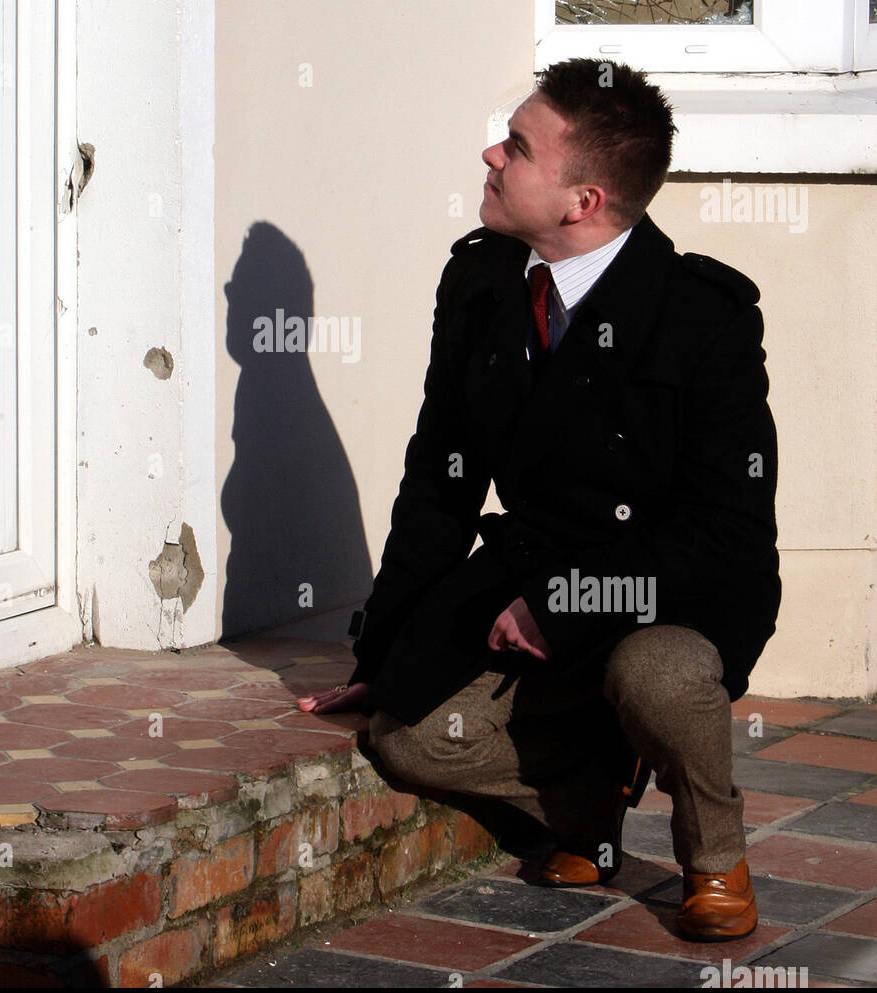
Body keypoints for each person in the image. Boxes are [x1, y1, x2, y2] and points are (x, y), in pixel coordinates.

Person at [297, 58, 780, 941]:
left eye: (515, 147)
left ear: (581, 201)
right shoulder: (482, 283)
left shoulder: (700, 314)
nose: (489, 153)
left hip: (667, 596)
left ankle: (714, 861)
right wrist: (384, 641)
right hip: (526, 575)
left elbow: (725, 529)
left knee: (655, 677)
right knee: (408, 739)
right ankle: (587, 794)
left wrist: (567, 605)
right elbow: (440, 475)